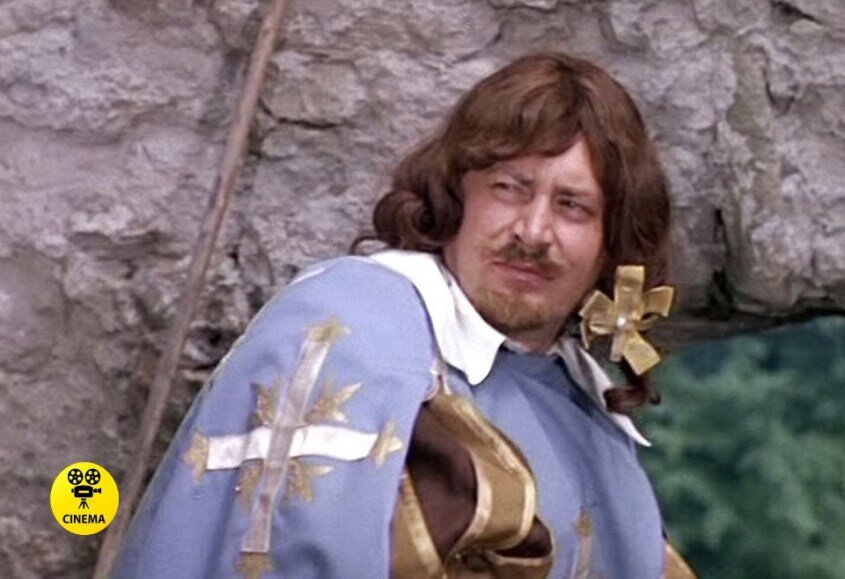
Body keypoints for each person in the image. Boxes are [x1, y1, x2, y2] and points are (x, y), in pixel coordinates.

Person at [115, 52, 693, 578]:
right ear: (456, 196)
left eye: (572, 206)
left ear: (609, 243)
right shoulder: (354, 321)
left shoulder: (588, 413)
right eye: (509, 188)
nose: (534, 231)